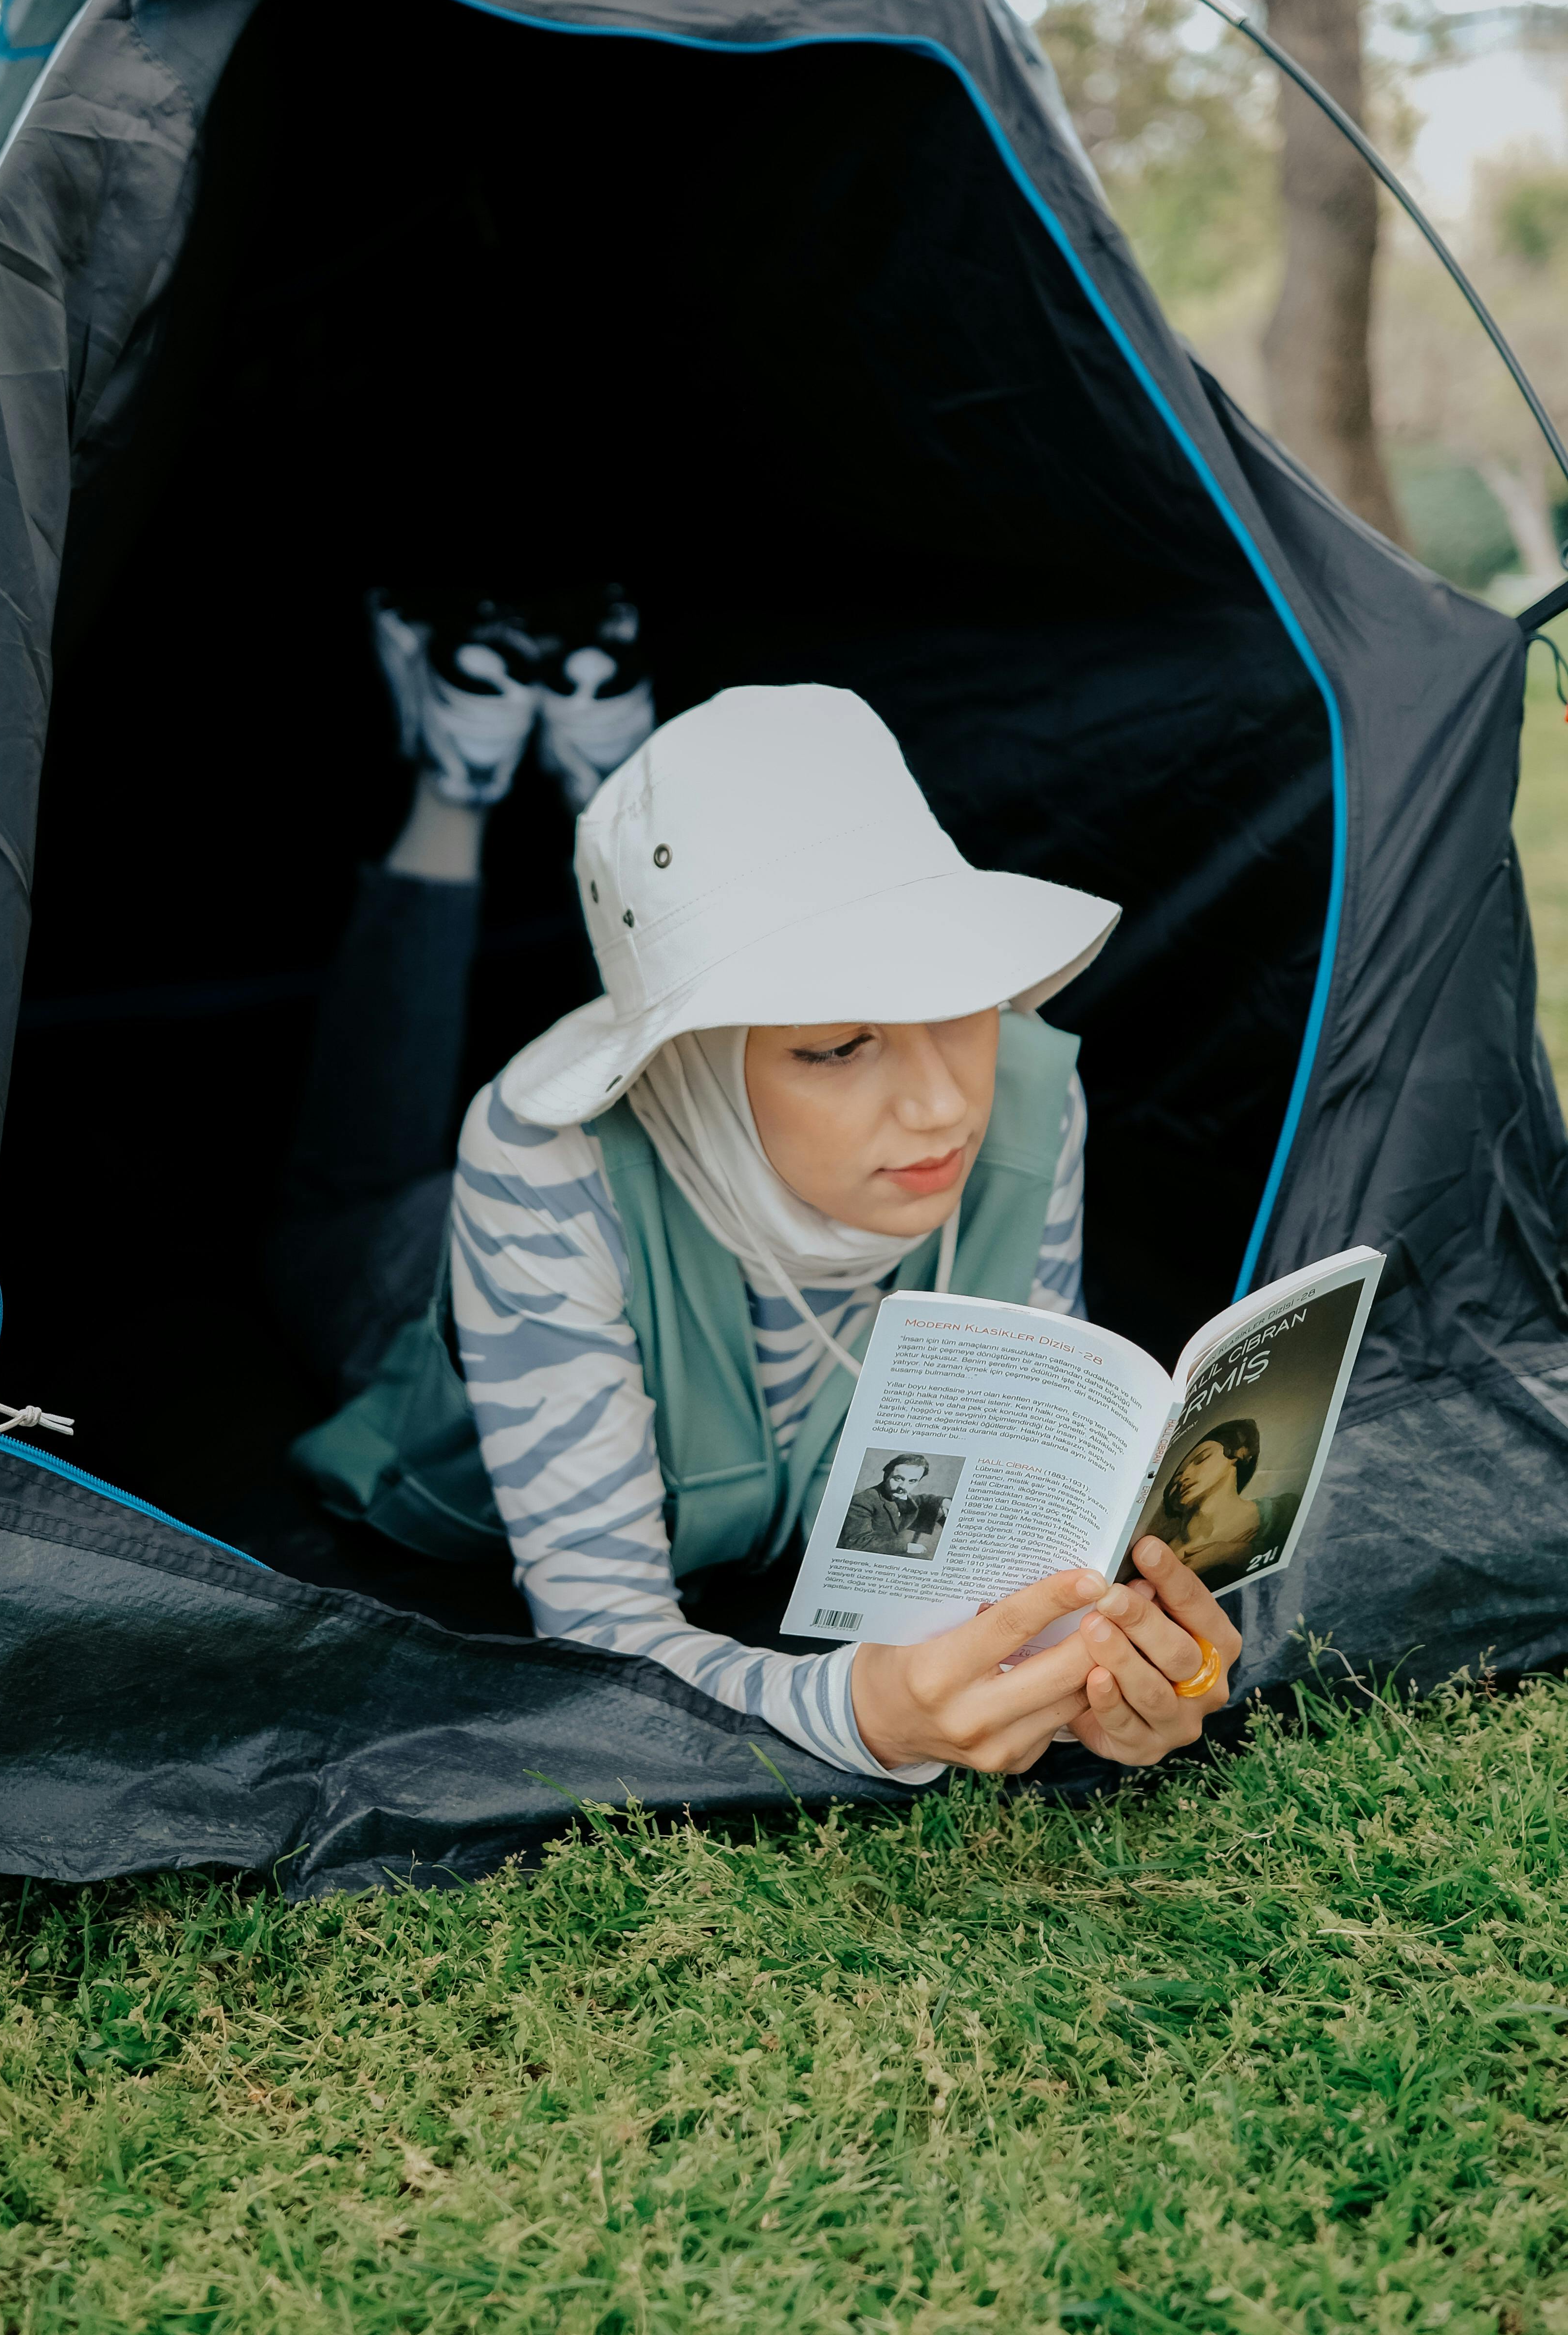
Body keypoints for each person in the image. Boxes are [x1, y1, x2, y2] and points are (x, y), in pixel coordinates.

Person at [281, 592, 1243, 1786]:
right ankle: (457, 787)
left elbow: (1001, 1548)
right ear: (690, 1062)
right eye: (838, 1046)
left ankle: (607, 779)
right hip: (416, 1289)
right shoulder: (546, 1164)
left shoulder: (1033, 1098)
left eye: (960, 1002)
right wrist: (862, 1711)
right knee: (343, 1185)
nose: (944, 1105)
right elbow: (600, 1633)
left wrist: (1122, 1670)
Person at [1150, 1419, 1300, 1591]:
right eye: (1177, 1477)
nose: (1185, 1476)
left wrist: (1232, 1553)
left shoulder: (1282, 1512)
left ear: (1240, 1455)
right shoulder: (1161, 1553)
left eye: (1201, 1459)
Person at [838, 1453, 949, 1558]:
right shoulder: (863, 1501)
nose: (904, 1486)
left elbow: (920, 1500)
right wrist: (905, 1547)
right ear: (886, 1475)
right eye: (899, 1479)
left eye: (912, 1481)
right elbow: (855, 1542)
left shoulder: (899, 1494)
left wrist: (943, 1501)